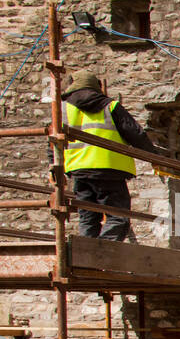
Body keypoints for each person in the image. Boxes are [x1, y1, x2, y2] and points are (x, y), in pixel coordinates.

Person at [57, 70, 158, 241]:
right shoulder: (110, 106)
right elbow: (135, 133)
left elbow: (53, 141)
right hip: (110, 169)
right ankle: (99, 254)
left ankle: (85, 254)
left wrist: (55, 167)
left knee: (88, 217)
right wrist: (155, 158)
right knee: (119, 217)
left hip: (79, 169)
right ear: (96, 87)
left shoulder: (64, 109)